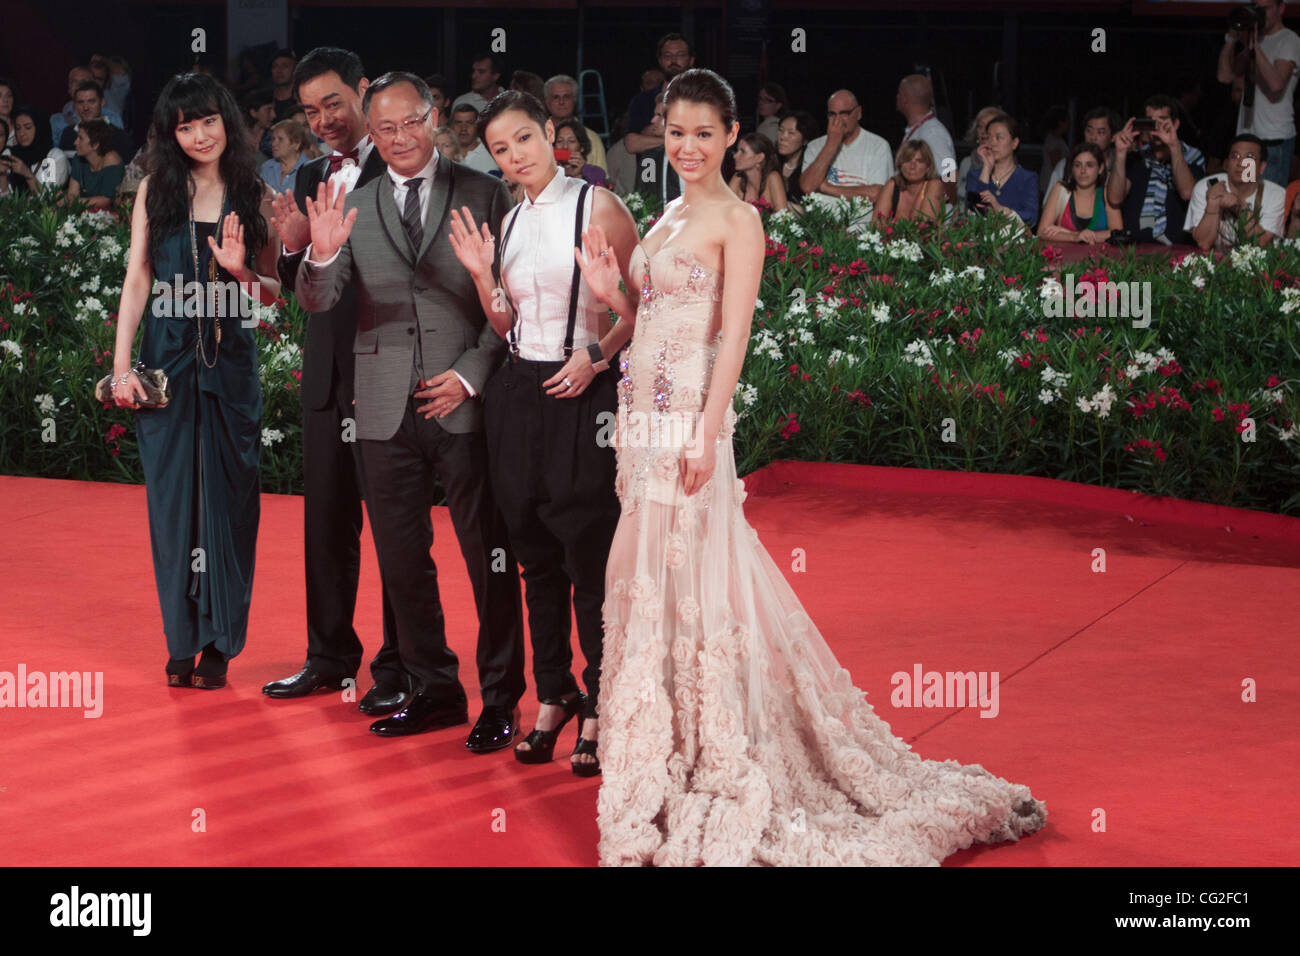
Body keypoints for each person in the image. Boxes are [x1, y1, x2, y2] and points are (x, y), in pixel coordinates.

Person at [574, 67, 1046, 866]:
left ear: (731, 137)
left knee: (688, 574)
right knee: (645, 577)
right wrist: (613, 295)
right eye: (676, 131)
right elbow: (648, 314)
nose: (687, 147)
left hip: (690, 419)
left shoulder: (736, 220)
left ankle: (711, 746)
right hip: (642, 425)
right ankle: (663, 748)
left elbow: (734, 336)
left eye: (703, 133)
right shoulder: (668, 213)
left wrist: (705, 430)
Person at [294, 71, 526, 751]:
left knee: (489, 555)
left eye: (412, 122)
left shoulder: (484, 190)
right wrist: (320, 253)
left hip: (464, 403)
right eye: (385, 128)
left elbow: (508, 304)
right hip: (382, 409)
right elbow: (320, 298)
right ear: (372, 132)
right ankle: (435, 689)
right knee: (402, 558)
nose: (399, 138)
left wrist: (471, 374)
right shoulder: (354, 202)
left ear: (436, 119)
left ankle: (502, 697)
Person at [448, 90, 639, 773]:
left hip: (584, 389)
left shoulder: (598, 205)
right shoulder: (514, 216)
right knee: (533, 556)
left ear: (552, 134)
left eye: (524, 139)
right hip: (519, 396)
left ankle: (600, 704)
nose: (514, 156)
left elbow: (642, 308)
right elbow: (507, 324)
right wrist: (479, 278)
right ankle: (552, 696)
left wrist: (598, 357)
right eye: (500, 148)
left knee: (587, 557)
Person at [109, 72, 281, 690]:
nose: (199, 135)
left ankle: (219, 643)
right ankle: (180, 638)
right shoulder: (155, 188)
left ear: (226, 122)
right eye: (185, 125)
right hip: (165, 362)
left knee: (230, 504)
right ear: (171, 133)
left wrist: (239, 273)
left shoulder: (252, 191)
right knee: (172, 502)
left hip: (230, 364)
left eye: (209, 121)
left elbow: (274, 295)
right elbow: (138, 278)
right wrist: (120, 364)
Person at [261, 47, 404, 719]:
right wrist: (291, 246)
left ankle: (402, 666)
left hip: (386, 372)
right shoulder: (313, 170)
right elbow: (303, 291)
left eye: (334, 105)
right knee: (326, 525)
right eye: (311, 111)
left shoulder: (407, 166)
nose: (324, 121)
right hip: (326, 374)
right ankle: (328, 656)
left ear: (364, 90)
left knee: (395, 528)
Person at [1217, 0, 1300, 187]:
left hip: (1273, 140)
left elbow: (1276, 84)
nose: (1260, 13)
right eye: (1256, 8)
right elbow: (1225, 76)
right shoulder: (1254, 41)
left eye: (1266, 9)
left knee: (1266, 200)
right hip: (1247, 138)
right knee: (1246, 197)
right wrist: (1231, 39)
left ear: (1281, 8)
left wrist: (1255, 45)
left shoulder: (1289, 39)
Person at [1107, 95, 1206, 245]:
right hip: (1135, 247)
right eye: (1151, 122)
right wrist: (1120, 153)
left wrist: (1173, 146)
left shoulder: (1192, 155)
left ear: (1176, 124)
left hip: (1178, 248)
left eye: (1162, 121)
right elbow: (1114, 198)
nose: (1156, 128)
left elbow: (1187, 193)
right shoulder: (1137, 157)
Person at [800, 89, 894, 219]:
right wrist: (831, 144)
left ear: (859, 113)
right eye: (832, 114)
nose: (837, 120)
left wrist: (827, 188)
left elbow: (877, 194)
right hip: (822, 228)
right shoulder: (815, 146)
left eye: (844, 113)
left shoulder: (878, 146)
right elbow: (807, 186)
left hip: (861, 230)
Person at [1186, 133, 1286, 249]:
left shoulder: (1276, 194)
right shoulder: (1205, 187)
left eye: (1249, 158)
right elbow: (1203, 243)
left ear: (1262, 167)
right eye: (1235, 157)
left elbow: (1262, 243)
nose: (1240, 164)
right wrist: (1213, 204)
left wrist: (1240, 207)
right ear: (1227, 164)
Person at [965, 111, 1038, 230]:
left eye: (999, 137)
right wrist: (986, 168)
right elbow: (974, 212)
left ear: (1014, 143)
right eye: (989, 138)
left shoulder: (1027, 178)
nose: (993, 143)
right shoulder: (975, 175)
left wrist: (999, 208)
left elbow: (1031, 217)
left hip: (1014, 242)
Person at [1038, 142, 1121, 244]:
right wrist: (1074, 236)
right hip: (1066, 258)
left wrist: (1073, 234)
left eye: (1089, 165)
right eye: (1077, 165)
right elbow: (1042, 232)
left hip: (1101, 259)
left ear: (1100, 168)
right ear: (1072, 169)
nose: (1083, 170)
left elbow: (1118, 234)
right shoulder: (1061, 190)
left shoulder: (1107, 194)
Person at [897, 73, 956, 204]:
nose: (897, 97)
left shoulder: (933, 133)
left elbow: (950, 173)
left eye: (899, 94)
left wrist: (945, 205)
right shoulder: (921, 129)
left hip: (932, 217)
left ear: (905, 99)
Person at [1043, 107, 1118, 203]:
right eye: (1089, 131)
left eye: (1100, 132)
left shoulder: (1119, 167)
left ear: (1112, 137)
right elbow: (1048, 204)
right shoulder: (1065, 165)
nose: (1093, 137)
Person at [545, 74, 608, 172]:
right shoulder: (536, 136)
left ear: (575, 100)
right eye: (556, 97)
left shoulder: (592, 138)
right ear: (547, 102)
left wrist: (584, 171)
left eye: (566, 97)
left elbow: (601, 180)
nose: (561, 102)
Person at [871, 140, 944, 224]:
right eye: (907, 160)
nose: (912, 166)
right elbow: (876, 225)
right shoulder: (892, 184)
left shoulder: (934, 184)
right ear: (900, 164)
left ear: (928, 166)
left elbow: (925, 228)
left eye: (919, 161)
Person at [58, 81, 134, 159]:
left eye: (91, 101)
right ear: (75, 106)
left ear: (102, 102)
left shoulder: (120, 136)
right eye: (80, 102)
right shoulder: (68, 134)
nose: (86, 107)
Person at [51, 66, 124, 145]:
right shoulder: (57, 120)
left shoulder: (111, 117)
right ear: (69, 88)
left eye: (84, 82)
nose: (79, 85)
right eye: (74, 81)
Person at [64, 118, 125, 209]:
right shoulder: (78, 158)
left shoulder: (112, 160)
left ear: (95, 145)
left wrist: (76, 202)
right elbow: (72, 194)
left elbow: (106, 200)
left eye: (80, 138)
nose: (75, 142)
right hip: (84, 211)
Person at [955, 106, 1001, 209]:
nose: (983, 131)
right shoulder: (966, 163)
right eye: (980, 126)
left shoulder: (1005, 164)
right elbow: (959, 201)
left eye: (989, 126)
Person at [728, 131, 787, 210]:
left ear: (759, 158)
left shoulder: (772, 177)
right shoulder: (737, 178)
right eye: (737, 151)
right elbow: (725, 211)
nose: (735, 156)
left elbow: (783, 216)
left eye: (743, 152)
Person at [1, 108, 51, 194]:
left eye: (27, 128)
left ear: (40, 128)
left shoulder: (53, 156)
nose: (21, 133)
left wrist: (27, 173)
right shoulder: (9, 154)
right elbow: (5, 196)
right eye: (18, 128)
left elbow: (50, 198)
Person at [775, 109, 817, 211]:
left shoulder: (808, 170)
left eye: (791, 133)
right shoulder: (772, 162)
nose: (783, 137)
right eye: (780, 130)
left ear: (805, 140)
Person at [260, 118, 312, 193]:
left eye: (280, 139)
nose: (274, 144)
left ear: (296, 144)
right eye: (273, 139)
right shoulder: (267, 167)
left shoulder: (310, 170)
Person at [555, 118, 607, 186]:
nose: (565, 146)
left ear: (581, 147)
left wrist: (578, 174)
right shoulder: (546, 171)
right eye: (559, 141)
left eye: (571, 141)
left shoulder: (595, 173)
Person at [452, 102, 497, 174]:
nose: (463, 128)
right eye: (458, 122)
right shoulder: (442, 152)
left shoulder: (491, 151)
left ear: (477, 125)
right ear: (452, 125)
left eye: (469, 122)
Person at [1038, 105, 1070, 197]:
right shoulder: (1053, 141)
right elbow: (1056, 164)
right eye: (1067, 120)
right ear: (1061, 122)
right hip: (1050, 185)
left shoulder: (1058, 139)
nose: (1069, 123)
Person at [242, 88, 275, 159]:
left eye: (273, 109)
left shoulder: (274, 138)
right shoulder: (240, 138)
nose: (274, 115)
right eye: (268, 110)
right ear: (253, 113)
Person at [269, 49, 299, 121]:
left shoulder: (301, 99)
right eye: (275, 66)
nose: (279, 71)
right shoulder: (266, 99)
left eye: (285, 66)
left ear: (295, 69)